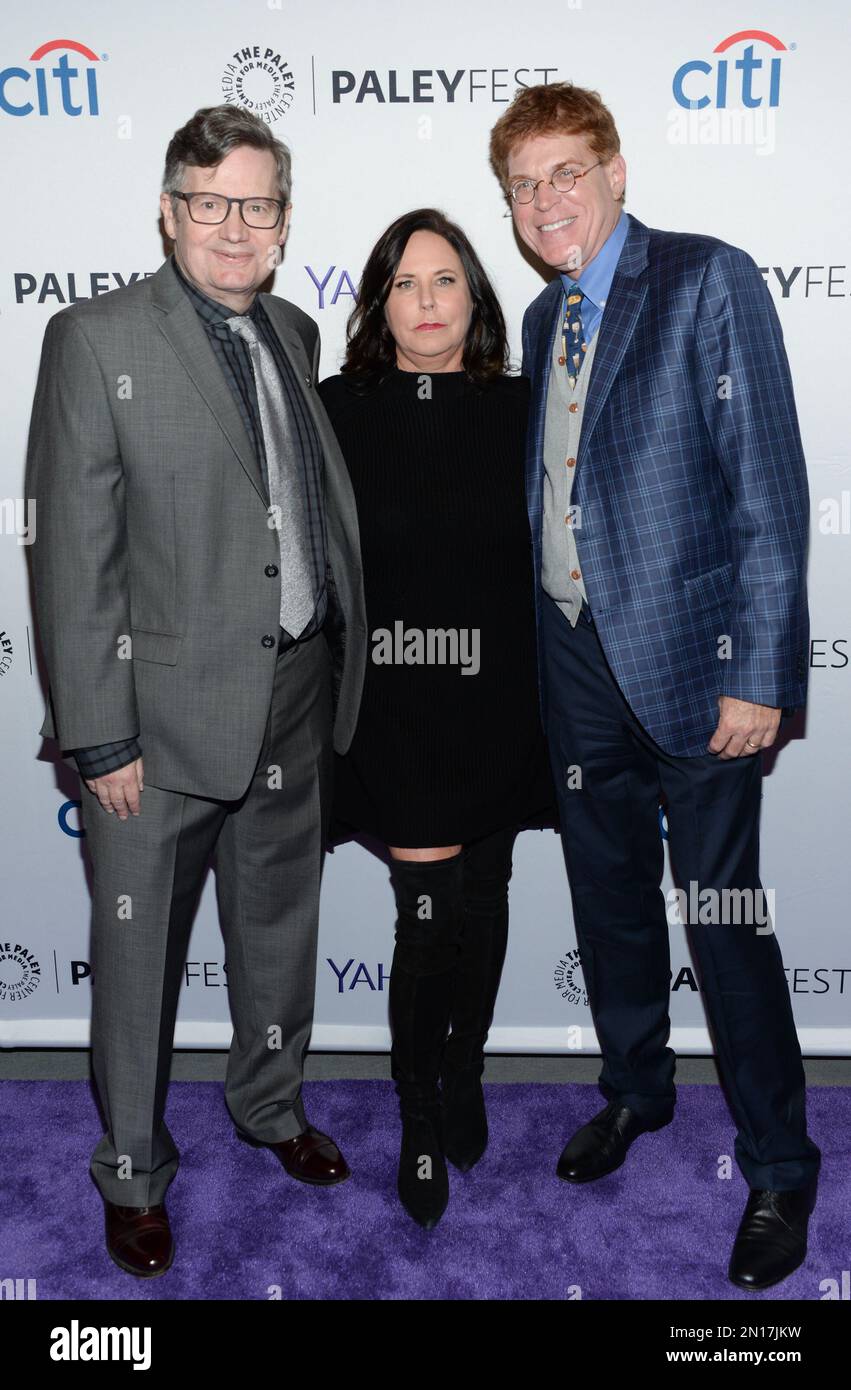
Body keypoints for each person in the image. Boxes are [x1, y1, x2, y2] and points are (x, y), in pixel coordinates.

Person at [24, 105, 367, 1278]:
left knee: (276, 931)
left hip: (294, 692)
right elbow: (72, 555)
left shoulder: (295, 325)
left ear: (282, 222)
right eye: (209, 202)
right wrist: (99, 734)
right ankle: (131, 1168)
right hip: (154, 724)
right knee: (136, 959)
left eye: (257, 203)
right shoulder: (93, 337)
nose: (234, 226)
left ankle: (269, 1105)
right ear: (169, 213)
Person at [489, 82, 819, 1290]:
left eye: (565, 172)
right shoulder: (538, 316)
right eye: (523, 185)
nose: (545, 200)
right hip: (572, 657)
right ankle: (636, 1091)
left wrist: (758, 669)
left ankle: (780, 1159)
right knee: (609, 897)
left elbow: (767, 490)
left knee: (721, 911)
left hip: (696, 668)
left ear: (615, 170)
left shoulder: (704, 277)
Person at [318, 209, 556, 1228]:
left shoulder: (522, 406)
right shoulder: (336, 408)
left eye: (445, 280)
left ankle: (465, 1071)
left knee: (486, 897)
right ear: (379, 303)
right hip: (396, 702)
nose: (426, 301)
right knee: (425, 924)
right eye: (404, 283)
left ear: (474, 297)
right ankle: (419, 1117)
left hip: (500, 695)